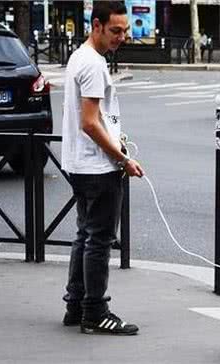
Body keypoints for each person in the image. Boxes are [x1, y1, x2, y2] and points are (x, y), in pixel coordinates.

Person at [61, 1, 144, 335]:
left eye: (124, 30)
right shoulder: (93, 65)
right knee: (99, 238)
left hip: (77, 163)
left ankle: (75, 305)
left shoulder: (79, 57)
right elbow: (91, 123)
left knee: (85, 234)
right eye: (115, 30)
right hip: (97, 166)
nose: (121, 36)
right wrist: (123, 158)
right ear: (96, 25)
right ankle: (95, 311)